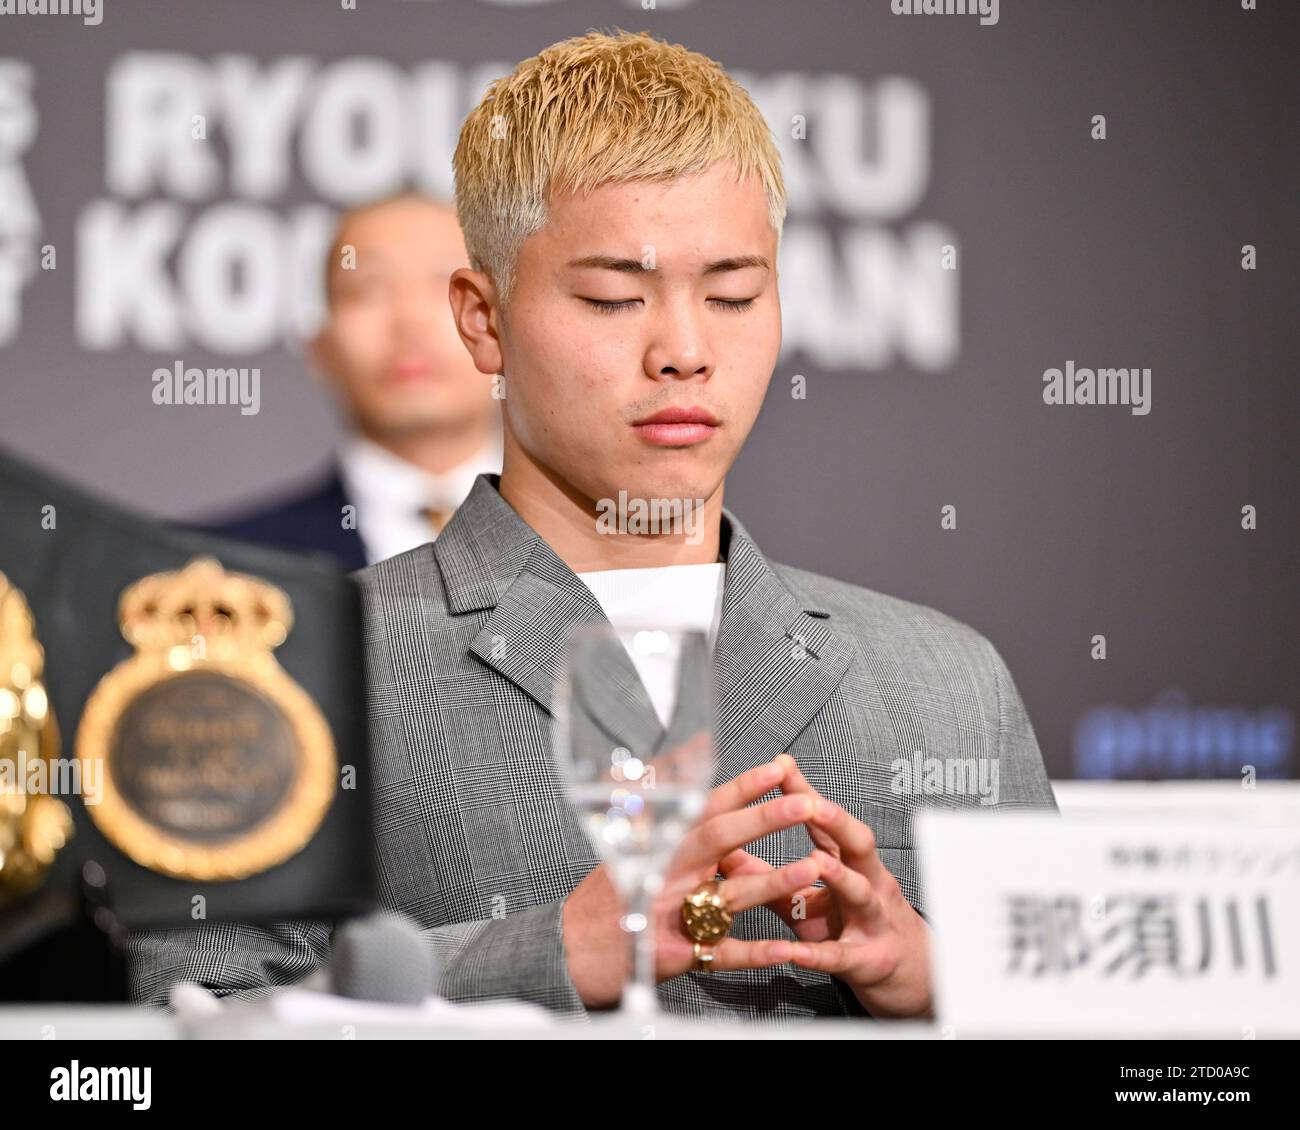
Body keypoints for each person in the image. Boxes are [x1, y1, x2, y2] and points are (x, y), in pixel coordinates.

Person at [126, 29, 1056, 1021]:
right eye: (615, 298)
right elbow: (181, 1021)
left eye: (735, 293)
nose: (687, 349)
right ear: (483, 320)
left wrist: (949, 980)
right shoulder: (286, 676)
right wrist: (545, 951)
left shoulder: (947, 683)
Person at [207, 193, 502, 568]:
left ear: (504, 329)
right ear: (319, 348)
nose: (410, 320)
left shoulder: (594, 548)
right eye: (369, 287)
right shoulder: (225, 570)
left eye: (447, 285)